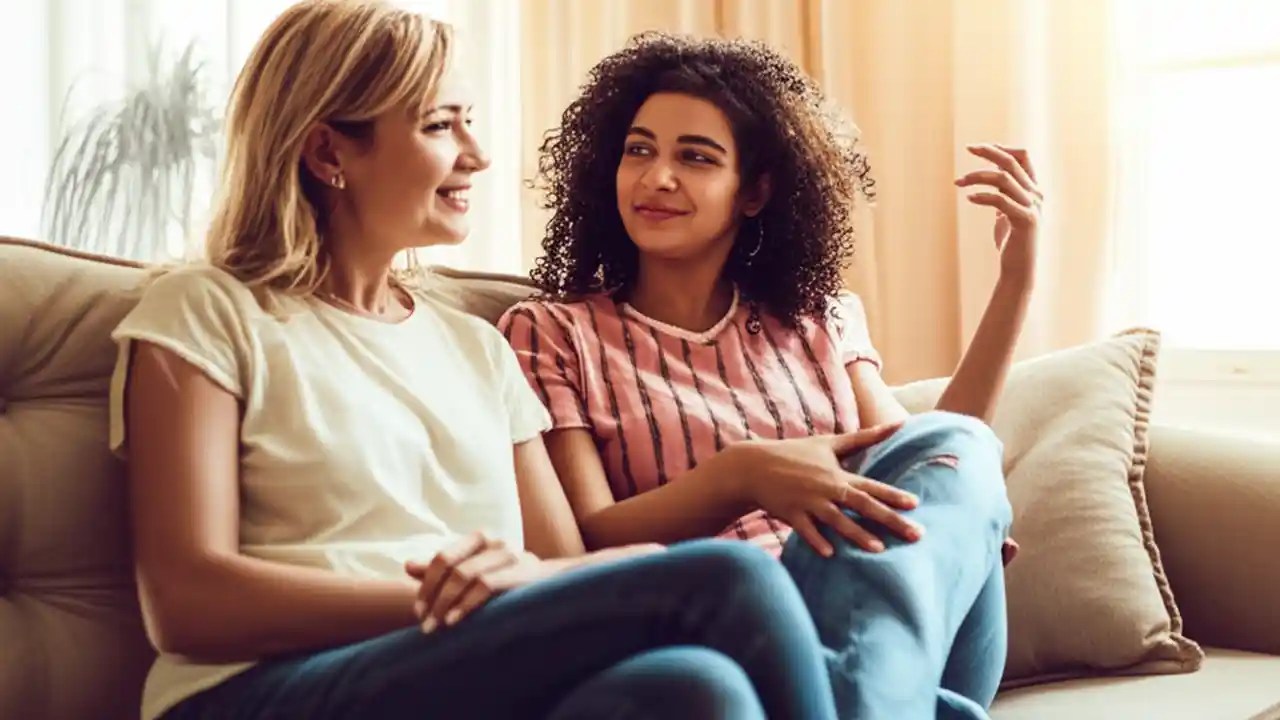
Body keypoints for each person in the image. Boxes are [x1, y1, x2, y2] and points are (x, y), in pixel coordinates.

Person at [110, 5, 843, 719]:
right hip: (261, 688)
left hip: (460, 670)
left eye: (469, 120)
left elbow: (562, 563)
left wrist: (523, 587)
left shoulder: (477, 348)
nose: (477, 154)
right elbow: (186, 605)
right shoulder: (206, 310)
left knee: (696, 690)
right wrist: (466, 604)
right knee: (730, 576)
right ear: (330, 152)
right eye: (438, 125)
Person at [499, 31, 1039, 719]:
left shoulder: (820, 320)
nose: (656, 177)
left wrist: (1016, 282)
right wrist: (740, 478)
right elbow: (583, 541)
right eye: (639, 150)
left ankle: (868, 695)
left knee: (957, 446)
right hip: (739, 634)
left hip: (874, 598)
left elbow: (917, 456)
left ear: (754, 192)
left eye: (695, 157)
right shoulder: (551, 334)